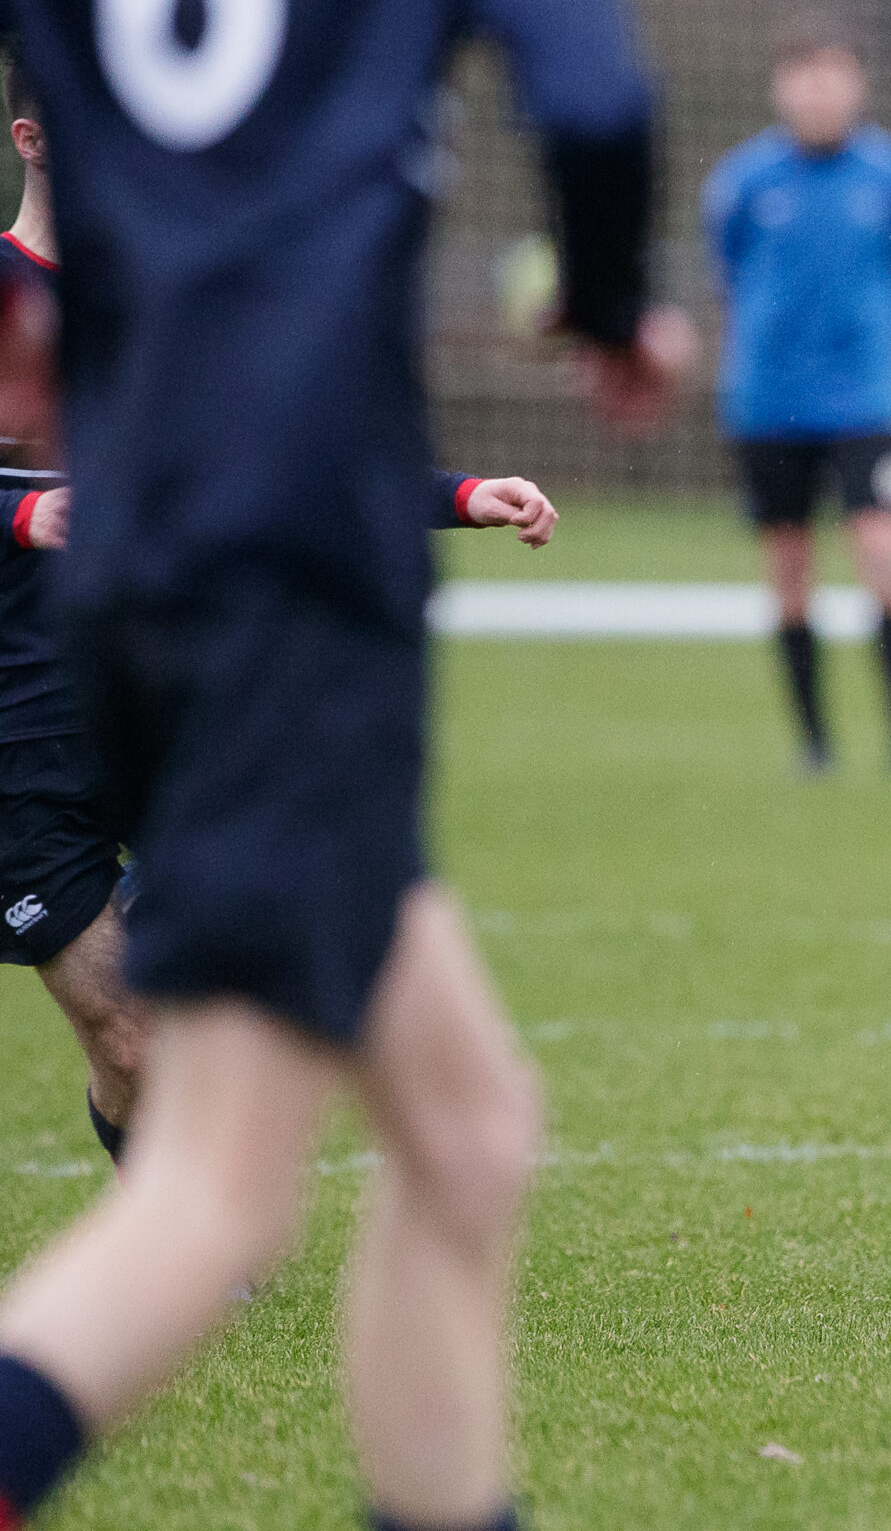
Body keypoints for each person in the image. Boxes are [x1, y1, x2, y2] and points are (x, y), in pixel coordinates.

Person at [0, 0, 692, 1527]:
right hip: (292, 560)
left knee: (466, 1131)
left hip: (132, 551)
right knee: (214, 1186)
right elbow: (594, 97)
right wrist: (602, 298)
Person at [0, 60, 565, 1180]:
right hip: (18, 731)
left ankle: (182, 1234)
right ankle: (165, 1225)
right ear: (32, 137)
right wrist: (23, 514)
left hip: (179, 706)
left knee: (225, 1012)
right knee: (130, 1038)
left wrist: (458, 494)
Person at [702, 14, 891, 777]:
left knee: (883, 550)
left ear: (857, 84)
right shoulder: (741, 183)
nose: (818, 91)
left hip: (867, 402)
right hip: (768, 405)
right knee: (790, 569)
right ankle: (814, 747)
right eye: (803, 76)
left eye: (832, 75)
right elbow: (729, 275)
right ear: (781, 87)